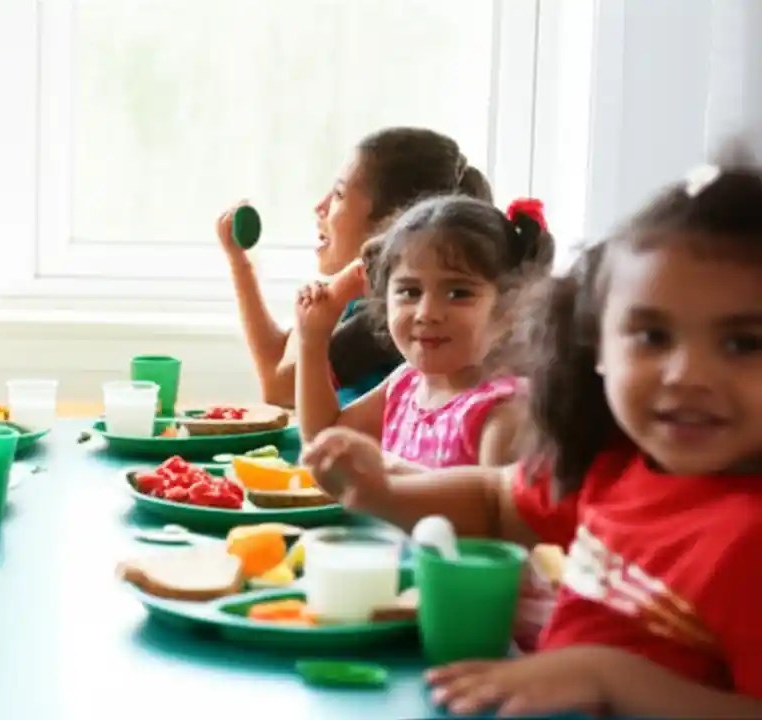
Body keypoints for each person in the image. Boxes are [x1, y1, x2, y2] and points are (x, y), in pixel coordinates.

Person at [302, 155, 762, 717]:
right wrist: (383, 489)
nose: (686, 374)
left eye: (743, 344)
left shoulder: (747, 537)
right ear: (595, 344)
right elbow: (497, 502)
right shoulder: (613, 468)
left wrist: (608, 676)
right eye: (652, 335)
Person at [216, 127, 492, 409]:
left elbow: (280, 388)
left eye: (338, 195)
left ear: (389, 222)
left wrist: (332, 298)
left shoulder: (387, 317)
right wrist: (240, 264)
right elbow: (280, 361)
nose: (319, 207)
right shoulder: (354, 298)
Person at [295, 195, 553, 471]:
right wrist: (312, 340)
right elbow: (324, 441)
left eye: (458, 293)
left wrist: (390, 478)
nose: (427, 312)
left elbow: (494, 512)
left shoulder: (504, 412)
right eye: (410, 292)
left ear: (509, 305)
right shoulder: (406, 384)